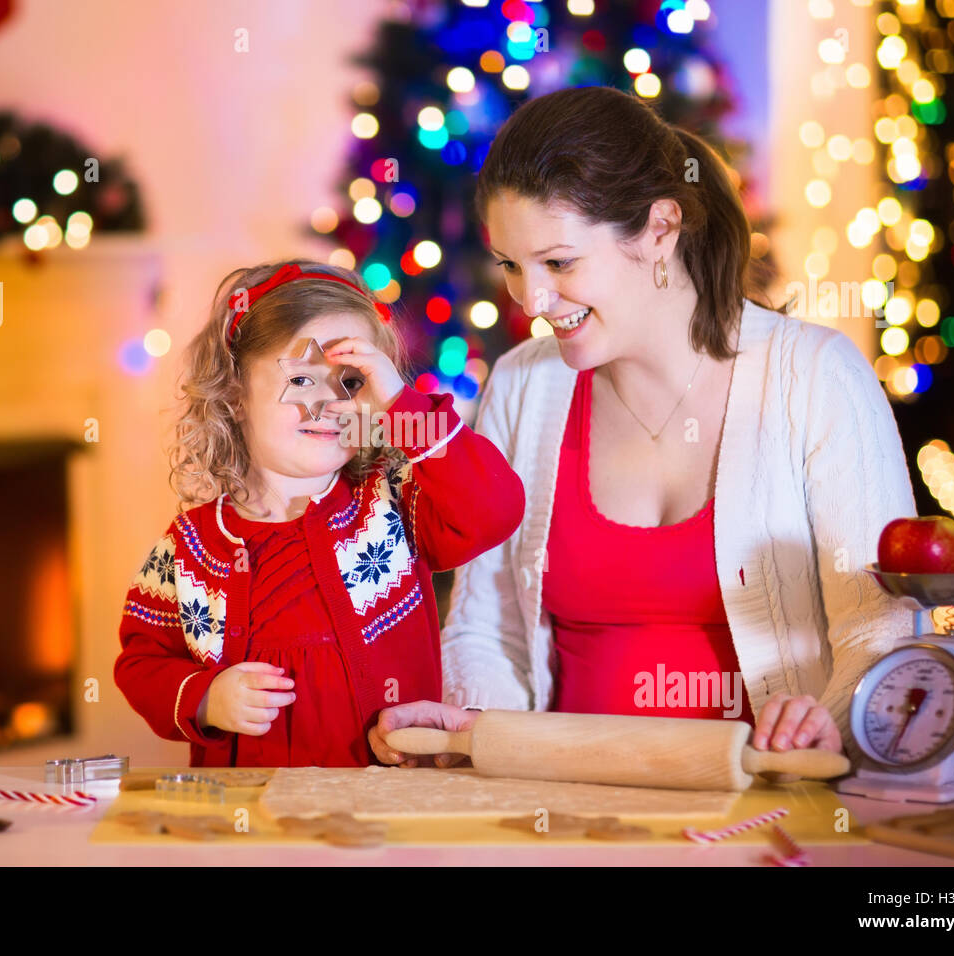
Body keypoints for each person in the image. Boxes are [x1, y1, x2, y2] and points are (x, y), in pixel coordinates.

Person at [369, 86, 917, 768]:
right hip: (565, 810)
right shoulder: (523, 383)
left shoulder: (815, 377)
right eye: (512, 265)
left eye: (560, 263)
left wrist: (826, 723)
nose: (532, 300)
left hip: (767, 807)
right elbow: (485, 628)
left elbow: (880, 622)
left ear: (660, 229)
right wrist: (485, 733)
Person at [114, 259, 525, 766]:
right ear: (236, 394)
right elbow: (141, 661)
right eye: (303, 381)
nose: (328, 403)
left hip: (384, 815)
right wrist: (205, 697)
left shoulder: (393, 505)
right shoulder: (189, 547)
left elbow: (495, 509)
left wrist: (401, 402)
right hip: (249, 824)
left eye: (352, 383)